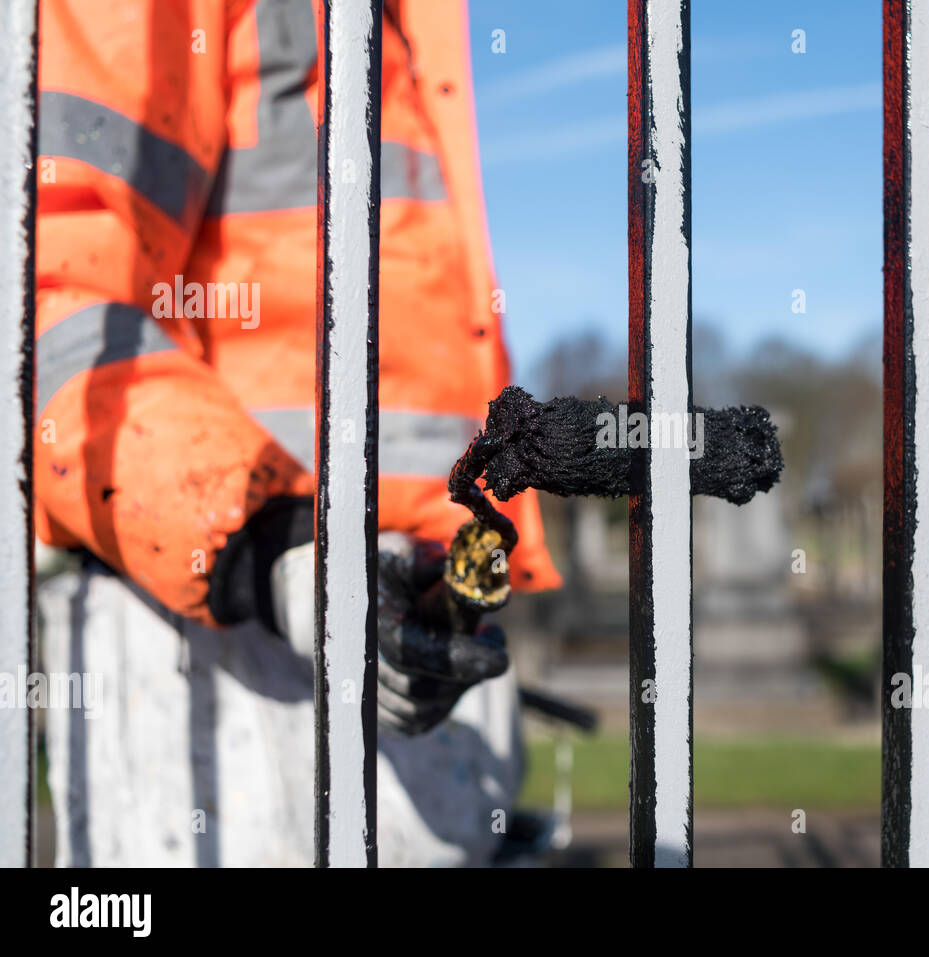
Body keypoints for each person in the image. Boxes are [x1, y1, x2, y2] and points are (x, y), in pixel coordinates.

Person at [34, 0, 560, 866]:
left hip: (414, 635)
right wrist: (277, 547)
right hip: (227, 641)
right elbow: (55, 293)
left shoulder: (413, 25)